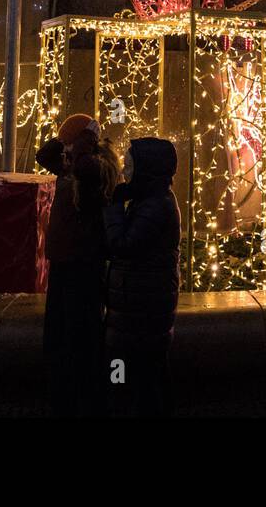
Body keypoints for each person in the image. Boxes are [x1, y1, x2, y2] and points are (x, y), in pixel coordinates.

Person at [41, 113, 120, 417]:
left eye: (75, 144)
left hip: (84, 263)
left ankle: (84, 397)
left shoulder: (96, 169)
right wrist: (66, 138)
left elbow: (86, 169)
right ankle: (65, 393)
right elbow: (44, 154)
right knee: (60, 333)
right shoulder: (70, 166)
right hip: (64, 261)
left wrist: (84, 138)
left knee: (81, 334)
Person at [103, 137, 182, 416]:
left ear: (146, 169)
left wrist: (113, 209)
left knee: (141, 380)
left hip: (143, 309)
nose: (125, 172)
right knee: (149, 376)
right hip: (140, 306)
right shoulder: (149, 199)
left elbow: (122, 245)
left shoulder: (155, 205)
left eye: (130, 165)